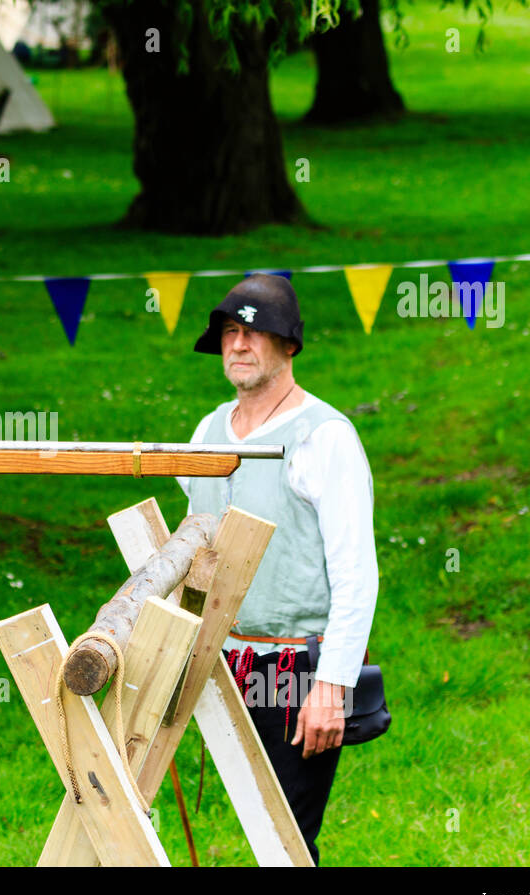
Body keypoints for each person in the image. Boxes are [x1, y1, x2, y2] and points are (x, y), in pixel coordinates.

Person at [179, 273, 378, 865]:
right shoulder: (207, 432)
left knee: (286, 843)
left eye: (254, 332)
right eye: (229, 333)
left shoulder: (326, 439)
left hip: (297, 670)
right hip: (223, 661)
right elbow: (194, 550)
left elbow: (357, 576)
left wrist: (332, 687)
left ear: (288, 345)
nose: (238, 345)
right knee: (253, 826)